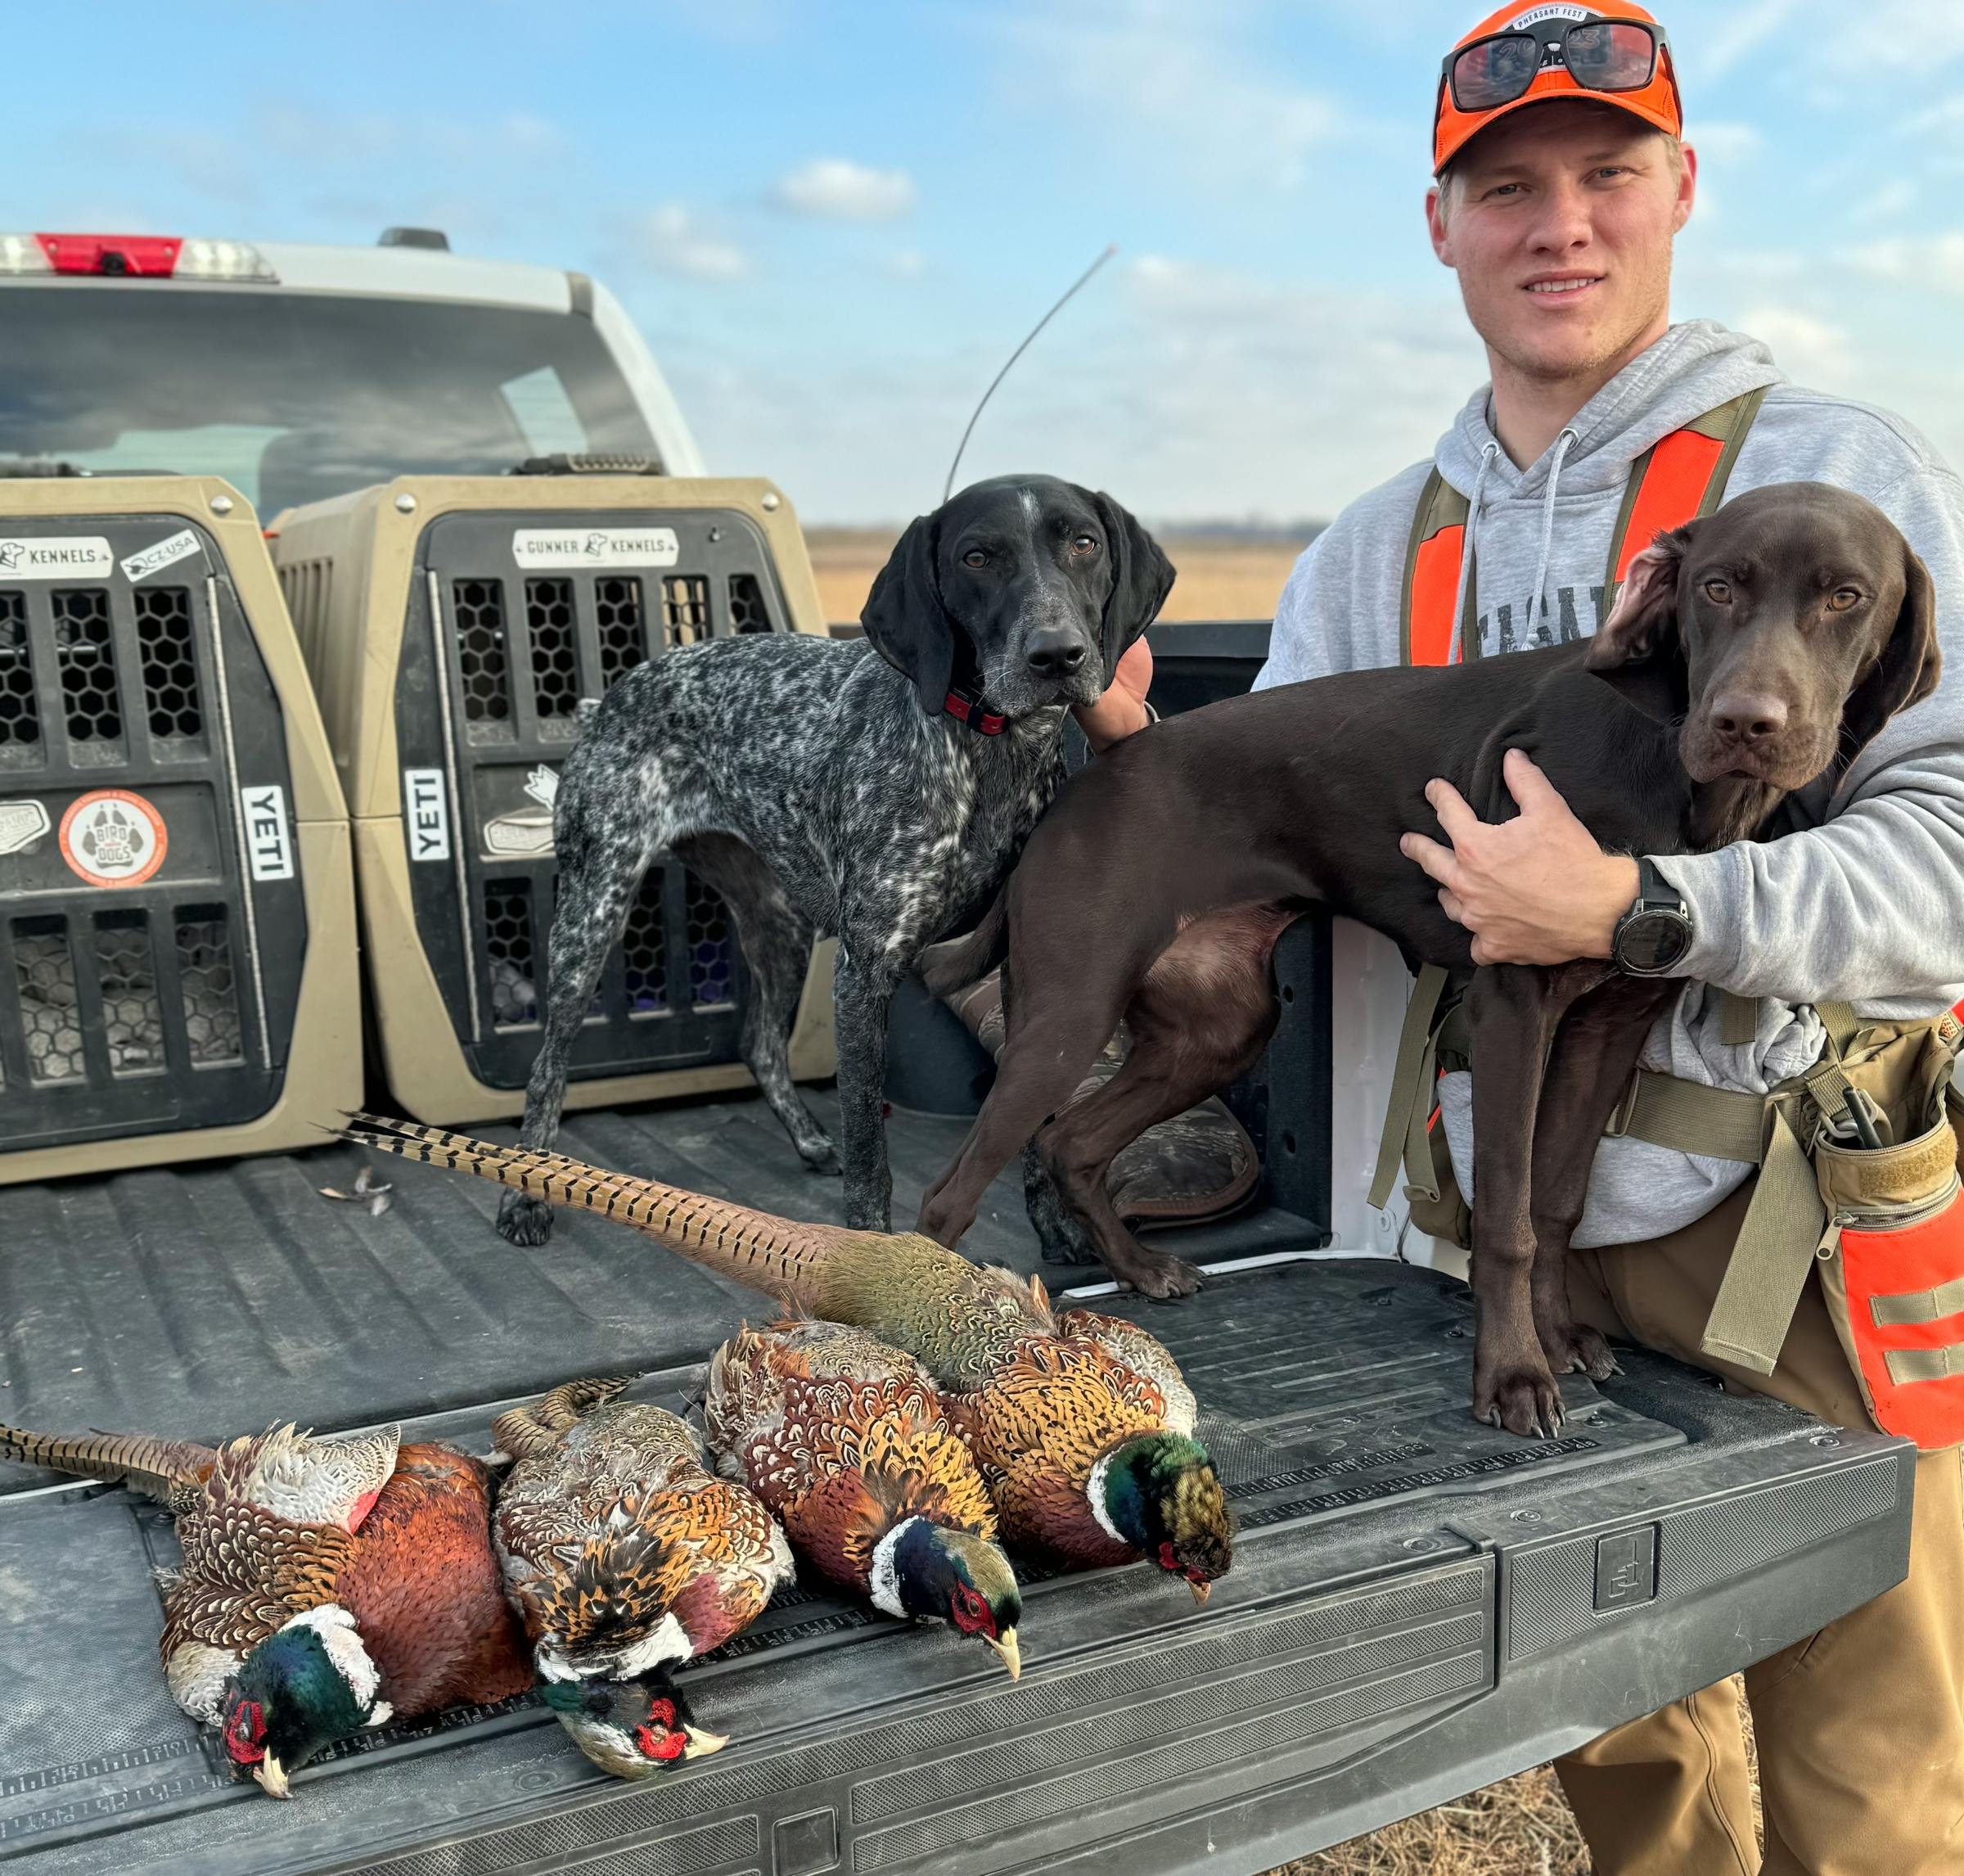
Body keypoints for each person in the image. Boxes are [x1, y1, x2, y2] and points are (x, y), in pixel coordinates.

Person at [1114, 6, 1964, 1873]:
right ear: (1443, 225)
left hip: (1793, 1218)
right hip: (1505, 1234)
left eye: (1605, 176)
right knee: (1620, 1740)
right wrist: (1132, 789)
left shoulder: (1847, 480)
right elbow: (1300, 861)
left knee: (1872, 1756)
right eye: (1509, 189)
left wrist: (1650, 910)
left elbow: (1951, 856)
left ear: (1682, 190)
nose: (1559, 226)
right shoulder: (1371, 547)